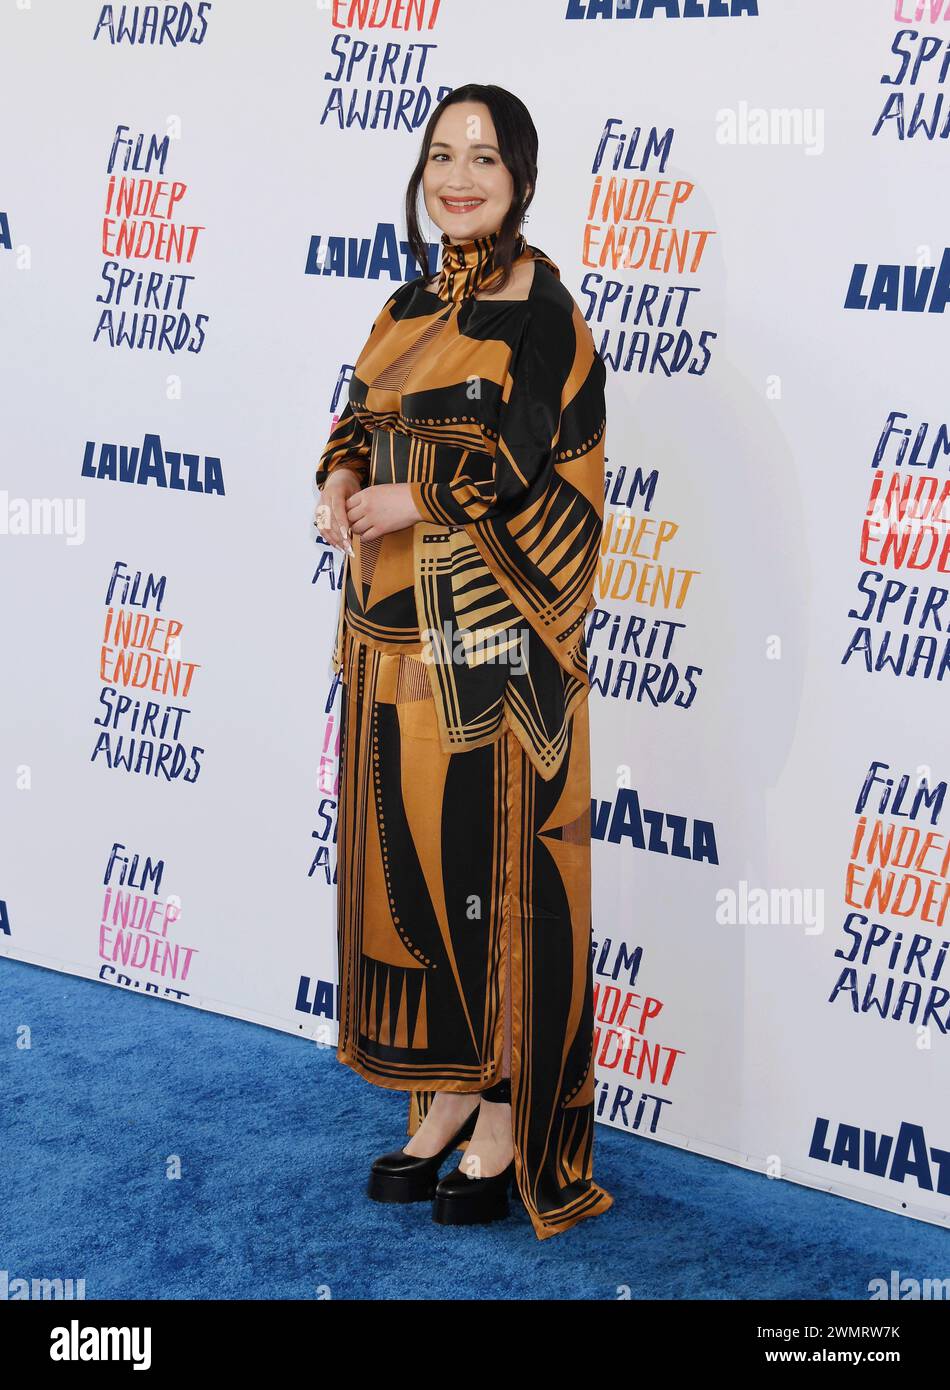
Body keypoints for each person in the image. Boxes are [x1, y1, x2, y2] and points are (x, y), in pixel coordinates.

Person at [314, 83, 613, 1240]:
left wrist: (413, 492)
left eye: (484, 157)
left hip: (489, 651)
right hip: (387, 642)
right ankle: (438, 1087)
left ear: (522, 178)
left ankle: (502, 1106)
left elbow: (527, 461)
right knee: (407, 880)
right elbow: (354, 416)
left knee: (482, 880)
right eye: (442, 153)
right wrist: (342, 479)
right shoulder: (402, 301)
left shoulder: (543, 311)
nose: (459, 174)